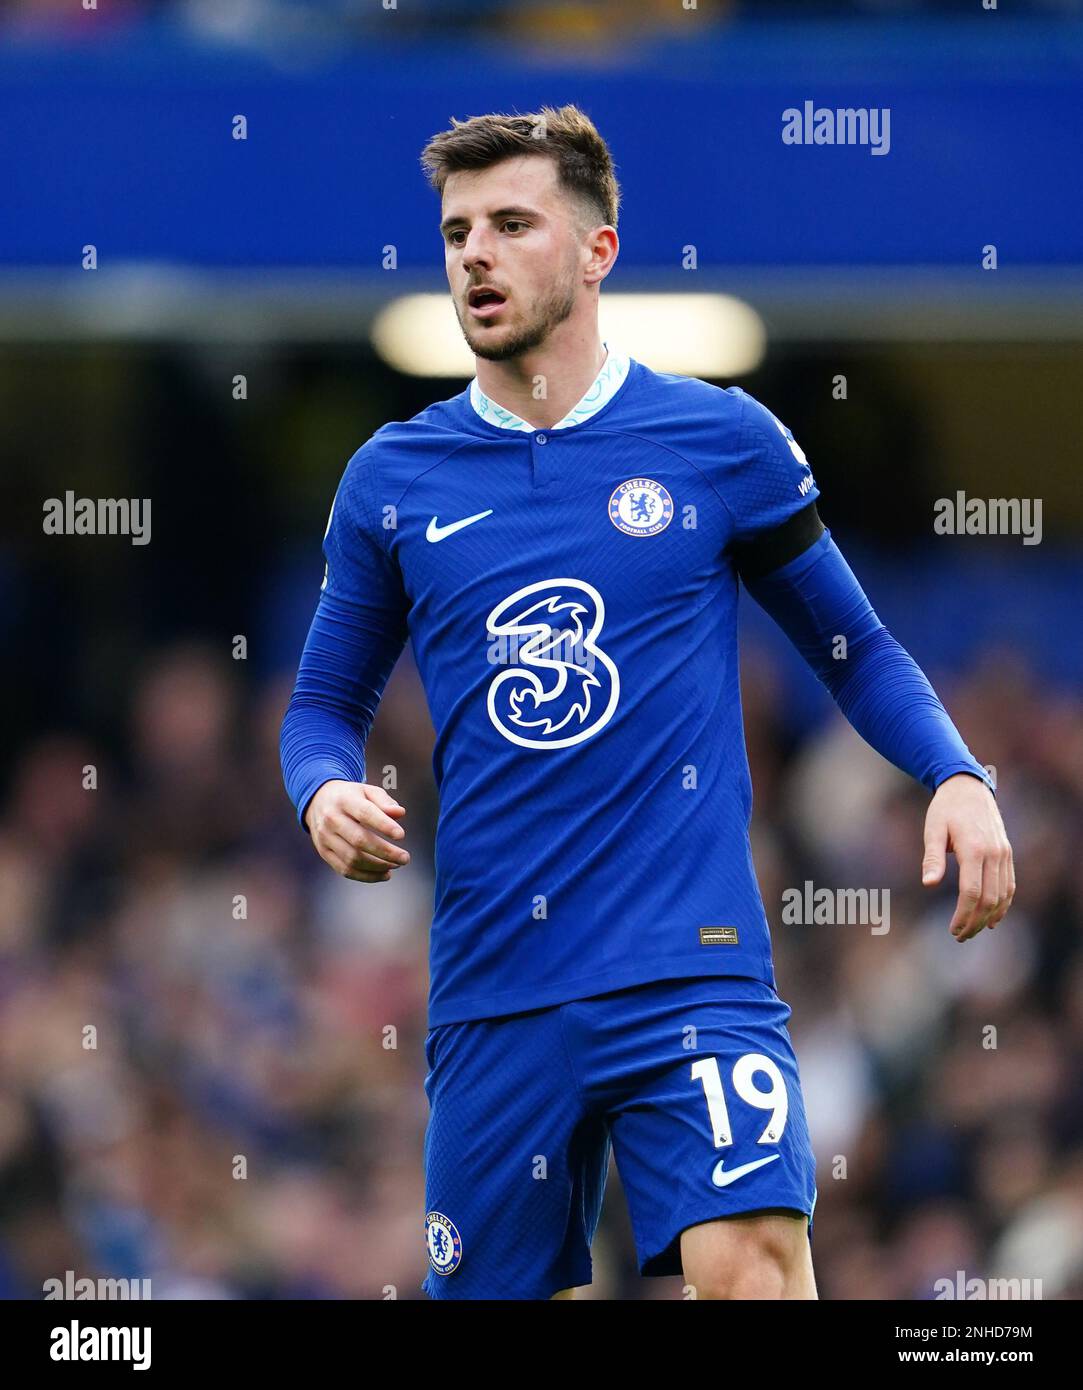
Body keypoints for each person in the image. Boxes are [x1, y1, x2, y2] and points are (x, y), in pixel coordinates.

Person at [280, 104, 1014, 1300]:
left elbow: (855, 646)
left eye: (514, 224)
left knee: (754, 1269)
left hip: (690, 968)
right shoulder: (391, 481)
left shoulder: (719, 442)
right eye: (458, 230)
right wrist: (321, 794)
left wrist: (957, 776)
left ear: (596, 250)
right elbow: (321, 704)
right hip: (495, 991)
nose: (475, 253)